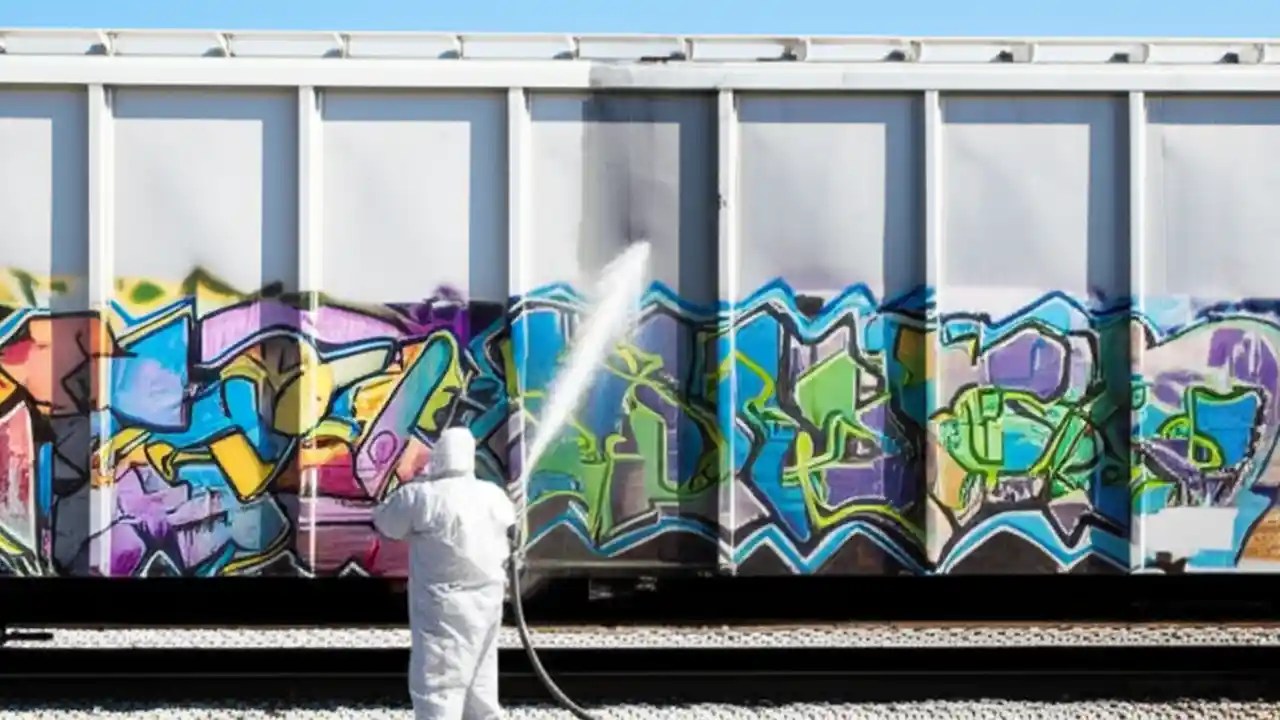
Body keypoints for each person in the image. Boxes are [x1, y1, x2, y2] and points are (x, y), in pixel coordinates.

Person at [372, 426, 517, 720]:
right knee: (481, 686)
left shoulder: (423, 496)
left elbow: (386, 522)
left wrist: (419, 479)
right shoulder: (493, 496)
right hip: (488, 602)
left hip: (444, 607)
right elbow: (511, 526)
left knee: (439, 689)